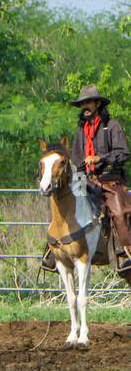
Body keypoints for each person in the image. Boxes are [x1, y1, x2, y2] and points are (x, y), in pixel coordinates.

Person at [70, 84, 131, 273]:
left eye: (88, 102)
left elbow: (123, 153)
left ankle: (126, 253)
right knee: (65, 206)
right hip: (85, 179)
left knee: (120, 212)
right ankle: (54, 252)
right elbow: (76, 158)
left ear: (97, 103)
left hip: (110, 180)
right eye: (82, 104)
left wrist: (100, 158)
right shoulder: (81, 131)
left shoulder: (112, 126)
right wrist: (77, 180)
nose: (85, 107)